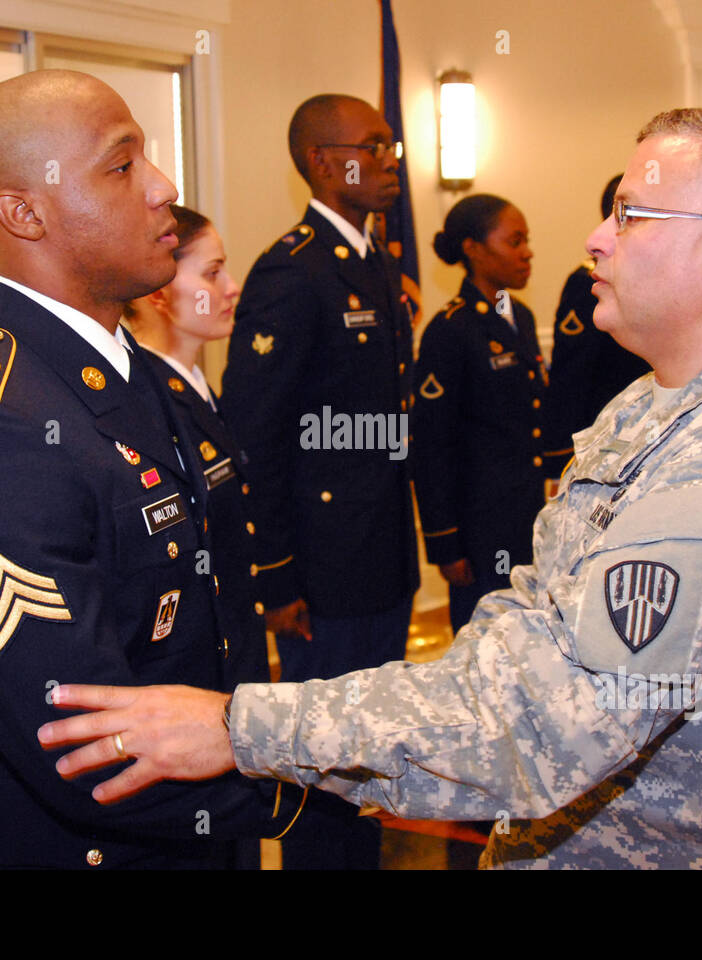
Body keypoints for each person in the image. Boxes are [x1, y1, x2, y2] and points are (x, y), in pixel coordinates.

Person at [39, 107, 702, 869]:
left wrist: (241, 727)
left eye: (631, 213)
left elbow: (543, 720)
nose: (594, 237)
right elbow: (532, 617)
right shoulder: (660, 401)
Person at [0, 70, 305, 869]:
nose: (164, 187)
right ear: (24, 211)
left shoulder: (127, 372)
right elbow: (87, 744)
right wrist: (323, 779)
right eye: (122, 166)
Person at [216, 93, 419, 869]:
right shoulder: (293, 272)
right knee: (318, 772)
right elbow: (255, 439)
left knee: (365, 758)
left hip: (379, 554)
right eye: (374, 146)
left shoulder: (372, 261)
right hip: (321, 570)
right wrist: (275, 576)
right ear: (323, 164)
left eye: (391, 144)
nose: (393, 160)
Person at [125, 205, 268, 689]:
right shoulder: (146, 401)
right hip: (192, 673)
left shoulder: (194, 387)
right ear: (160, 292)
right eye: (212, 273)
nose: (231, 288)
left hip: (235, 649)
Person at [414, 194, 565, 635]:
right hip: (479, 525)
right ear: (474, 249)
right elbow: (432, 443)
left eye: (527, 240)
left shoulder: (520, 315)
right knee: (481, 640)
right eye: (514, 241)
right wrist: (445, 542)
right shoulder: (450, 329)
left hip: (526, 515)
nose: (527, 251)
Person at [545, 174, 651, 450]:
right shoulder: (588, 281)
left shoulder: (657, 280)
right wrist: (562, 452)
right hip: (604, 430)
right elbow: (573, 373)